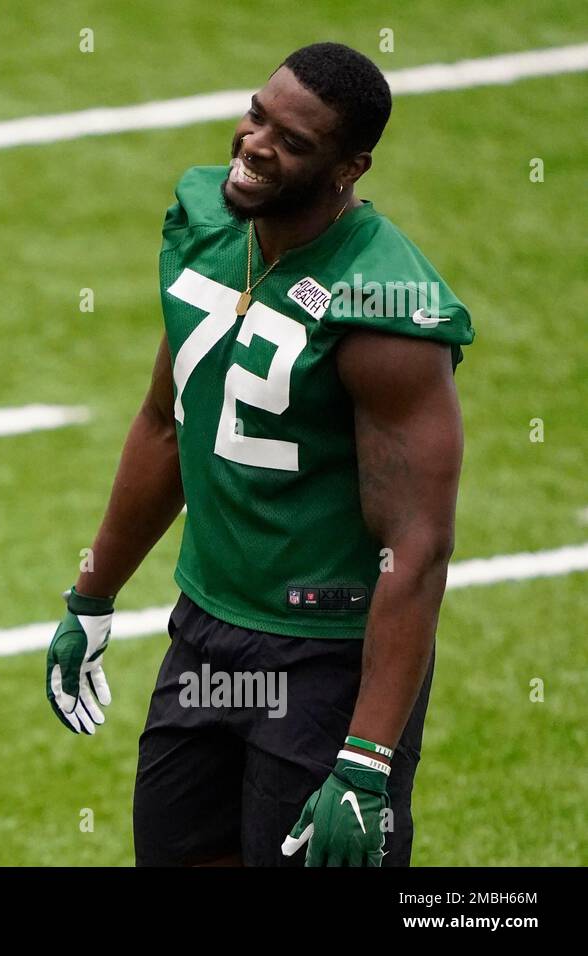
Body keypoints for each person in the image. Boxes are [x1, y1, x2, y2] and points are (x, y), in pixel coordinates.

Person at [46, 43, 474, 866]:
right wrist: (93, 594)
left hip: (325, 660)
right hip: (206, 634)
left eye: (293, 141)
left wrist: (368, 757)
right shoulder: (210, 224)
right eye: (255, 115)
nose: (253, 145)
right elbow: (168, 423)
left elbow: (416, 546)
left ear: (350, 167)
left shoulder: (385, 304)